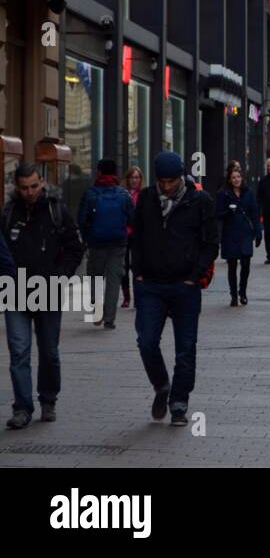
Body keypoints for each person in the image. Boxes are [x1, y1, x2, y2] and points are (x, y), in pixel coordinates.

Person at [130, 151, 218, 426]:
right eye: (162, 181)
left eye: (171, 181)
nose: (166, 187)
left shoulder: (199, 201)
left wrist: (196, 275)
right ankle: (162, 386)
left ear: (181, 177)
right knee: (146, 341)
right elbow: (137, 237)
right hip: (151, 285)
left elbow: (211, 242)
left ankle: (179, 403)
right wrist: (139, 272)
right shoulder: (146, 198)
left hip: (184, 285)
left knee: (186, 347)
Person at [3, 164, 84, 429]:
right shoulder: (8, 212)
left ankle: (48, 399)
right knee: (19, 351)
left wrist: (60, 277)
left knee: (49, 351)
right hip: (14, 292)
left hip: (47, 291)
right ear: (17, 186)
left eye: (34, 186)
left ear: (42, 183)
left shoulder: (56, 210)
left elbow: (74, 248)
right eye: (24, 187)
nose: (30, 192)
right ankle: (22, 407)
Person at [77, 158, 134, 330]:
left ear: (99, 172)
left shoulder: (90, 194)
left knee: (95, 276)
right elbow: (132, 218)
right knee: (113, 280)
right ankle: (109, 319)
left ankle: (97, 311)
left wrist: (86, 237)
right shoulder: (124, 195)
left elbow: (81, 219)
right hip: (118, 243)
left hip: (96, 243)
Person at [215, 163, 260, 307]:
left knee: (246, 263)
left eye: (238, 177)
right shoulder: (223, 193)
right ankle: (233, 294)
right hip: (230, 232)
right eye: (233, 177)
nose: (236, 179)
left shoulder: (248, 193)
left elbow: (254, 213)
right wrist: (228, 212)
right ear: (229, 179)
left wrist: (258, 232)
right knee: (232, 265)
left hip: (245, 231)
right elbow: (218, 214)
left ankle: (243, 292)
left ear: (242, 178)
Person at [121, 166, 145, 309]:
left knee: (137, 267)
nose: (134, 180)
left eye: (137, 177)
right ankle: (126, 297)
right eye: (132, 177)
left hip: (138, 235)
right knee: (123, 267)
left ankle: (138, 297)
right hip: (124, 234)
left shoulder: (143, 194)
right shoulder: (122, 194)